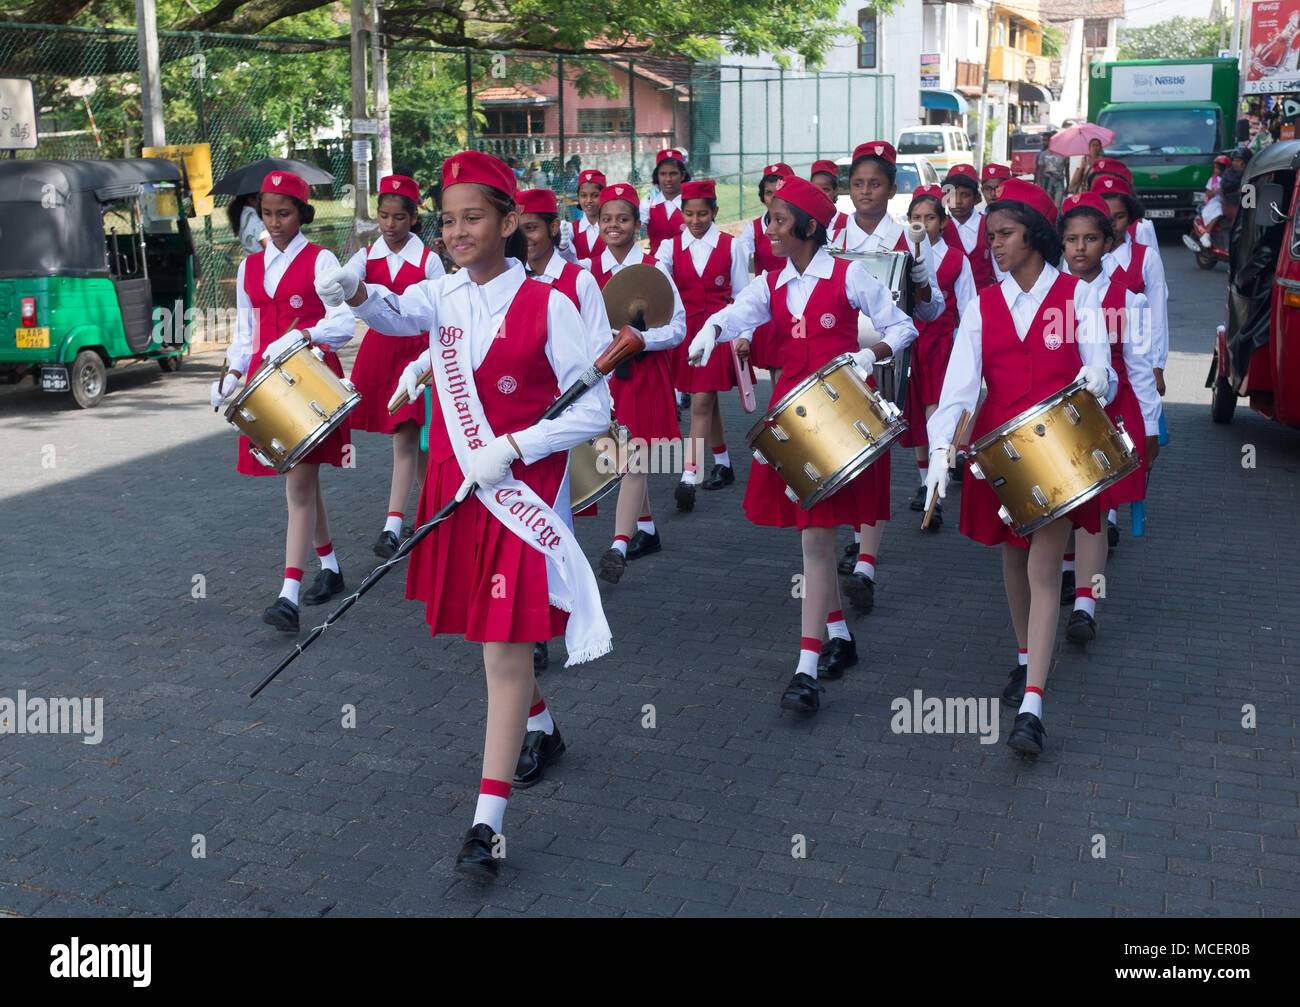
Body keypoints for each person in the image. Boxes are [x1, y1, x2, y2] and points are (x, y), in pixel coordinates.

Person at [315, 150, 612, 879]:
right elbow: (390, 311)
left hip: (519, 498)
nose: (456, 231)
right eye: (447, 219)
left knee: (501, 651)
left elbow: (594, 410)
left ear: (511, 223)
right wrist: (353, 289)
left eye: (473, 217)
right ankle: (541, 723)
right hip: (457, 492)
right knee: (490, 633)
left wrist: (512, 444)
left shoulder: (553, 304)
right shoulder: (444, 294)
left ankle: (486, 822)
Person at [686, 175, 918, 713]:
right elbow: (735, 313)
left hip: (840, 412)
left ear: (809, 228)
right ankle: (839, 637)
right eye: (770, 219)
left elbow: (903, 327)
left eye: (780, 220)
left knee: (816, 540)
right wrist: (710, 332)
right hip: (794, 416)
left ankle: (806, 668)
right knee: (813, 537)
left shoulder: (849, 274)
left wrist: (869, 355)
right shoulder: (771, 283)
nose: (769, 229)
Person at [924, 178, 1116, 756]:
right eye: (990, 236)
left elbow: (1099, 370)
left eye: (1004, 234)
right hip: (998, 448)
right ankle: (1026, 656)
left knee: (1041, 563)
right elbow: (958, 388)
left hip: (1055, 446)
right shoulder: (984, 304)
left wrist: (1082, 399)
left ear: (1034, 235)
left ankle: (1033, 701)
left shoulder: (1078, 295)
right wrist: (939, 452)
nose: (993, 246)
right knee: (1012, 556)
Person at [208, 171, 356, 633]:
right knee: (300, 481)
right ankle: (329, 567)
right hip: (266, 386)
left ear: (303, 213)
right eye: (266, 213)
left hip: (309, 382)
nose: (273, 222)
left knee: (297, 485)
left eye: (284, 213)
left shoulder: (320, 258)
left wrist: (304, 334)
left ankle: (287, 596)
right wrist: (230, 375)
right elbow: (244, 334)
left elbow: (345, 322)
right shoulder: (251, 266)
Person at [834, 139, 947, 603]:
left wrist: (920, 281)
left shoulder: (909, 238)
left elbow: (933, 308)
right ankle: (855, 537)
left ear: (890, 188)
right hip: (839, 355)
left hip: (885, 357)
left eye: (875, 184)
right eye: (858, 183)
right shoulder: (832, 235)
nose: (865, 192)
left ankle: (866, 560)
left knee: (875, 454)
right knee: (842, 450)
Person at [516, 185, 613, 680]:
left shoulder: (579, 281)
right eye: (518, 228)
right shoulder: (503, 280)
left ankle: (547, 627)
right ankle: (523, 621)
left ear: (555, 228)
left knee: (549, 525)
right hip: (508, 422)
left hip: (554, 423)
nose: (524, 238)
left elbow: (599, 354)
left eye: (532, 228)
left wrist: (563, 413)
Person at [1056, 193, 1161, 645]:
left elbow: (1139, 369)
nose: (1080, 248)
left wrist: (1151, 429)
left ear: (1108, 243)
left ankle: (1085, 603)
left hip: (1110, 414)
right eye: (1072, 239)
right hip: (1059, 413)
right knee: (1060, 501)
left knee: (1096, 510)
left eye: (1091, 239)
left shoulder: (1129, 300)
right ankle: (1063, 572)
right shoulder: (1048, 293)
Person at [579, 183, 687, 585]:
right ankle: (648, 530)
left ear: (637, 224)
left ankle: (618, 545)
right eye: (607, 219)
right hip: (606, 376)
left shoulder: (656, 269)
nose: (613, 226)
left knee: (634, 456)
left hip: (643, 373)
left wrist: (643, 339)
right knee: (618, 452)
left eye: (622, 219)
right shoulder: (589, 271)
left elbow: (679, 327)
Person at [342, 175, 446, 560]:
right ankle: (434, 517)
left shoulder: (428, 260)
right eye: (384, 216)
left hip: (417, 355)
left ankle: (392, 526)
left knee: (406, 436)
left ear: (414, 218)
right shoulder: (366, 256)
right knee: (413, 440)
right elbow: (344, 286)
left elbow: (440, 311)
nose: (389, 225)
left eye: (399, 217)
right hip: (381, 353)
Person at [653, 178, 750, 512]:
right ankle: (722, 462)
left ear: (715, 212)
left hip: (716, 332)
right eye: (689, 214)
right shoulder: (668, 248)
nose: (696, 221)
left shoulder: (732, 245)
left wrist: (743, 335)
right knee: (705, 401)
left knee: (700, 401)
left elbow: (742, 294)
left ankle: (689, 475)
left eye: (703, 214)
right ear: (681, 213)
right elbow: (656, 285)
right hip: (684, 331)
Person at [900, 184, 977, 528]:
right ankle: (923, 485)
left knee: (936, 414)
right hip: (910, 343)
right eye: (916, 217)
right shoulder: (900, 255)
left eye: (930, 217)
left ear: (943, 222)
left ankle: (937, 485)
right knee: (916, 414)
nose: (923, 223)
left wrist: (969, 350)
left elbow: (969, 307)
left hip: (944, 344)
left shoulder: (957, 260)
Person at [1093, 175, 1170, 401]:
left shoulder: (1146, 258)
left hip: (1135, 361)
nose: (1112, 224)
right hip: (1090, 362)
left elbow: (1157, 315)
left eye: (1119, 216)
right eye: (1106, 217)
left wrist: (1157, 365)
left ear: (1130, 218)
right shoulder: (1077, 260)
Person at [735, 163, 793, 376]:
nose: (774, 198)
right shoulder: (754, 228)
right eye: (769, 193)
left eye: (780, 192)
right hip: (771, 305)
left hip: (801, 304)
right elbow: (739, 254)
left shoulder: (804, 225)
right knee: (777, 371)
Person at [942, 164, 996, 290]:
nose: (958, 201)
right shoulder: (939, 229)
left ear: (976, 198)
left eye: (965, 195)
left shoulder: (989, 224)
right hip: (950, 304)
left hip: (985, 299)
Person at [640, 149, 689, 256]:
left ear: (682, 175)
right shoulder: (647, 204)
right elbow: (633, 231)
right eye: (663, 174)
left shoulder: (691, 204)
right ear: (657, 176)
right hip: (656, 268)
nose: (668, 179)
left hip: (687, 266)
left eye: (673, 174)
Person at [809, 159, 850, 245]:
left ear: (835, 191)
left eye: (826, 190)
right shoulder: (803, 221)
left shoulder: (848, 222)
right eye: (815, 189)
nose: (820, 194)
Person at [1196, 155, 1231, 247]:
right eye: (1214, 168)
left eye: (1218, 168)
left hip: (1227, 201)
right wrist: (1217, 191)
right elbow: (1208, 194)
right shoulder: (1212, 179)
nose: (1215, 170)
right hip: (1214, 203)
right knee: (1219, 211)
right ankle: (1207, 233)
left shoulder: (1229, 179)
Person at [1034, 131, 1067, 207]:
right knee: (1048, 205)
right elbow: (1039, 170)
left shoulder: (1063, 154)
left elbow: (1067, 169)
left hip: (1059, 181)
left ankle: (1057, 217)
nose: (1044, 142)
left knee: (1057, 205)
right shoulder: (1043, 154)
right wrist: (1038, 183)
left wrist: (1068, 185)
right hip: (1047, 182)